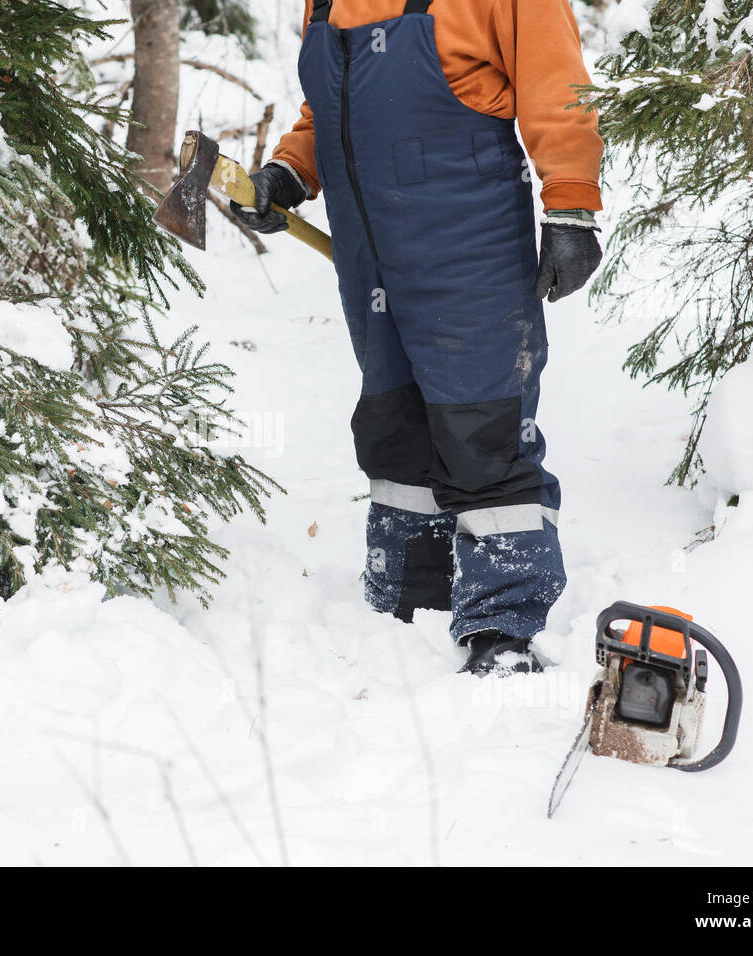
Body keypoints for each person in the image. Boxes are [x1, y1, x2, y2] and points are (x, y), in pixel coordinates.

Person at [232, 0, 604, 677]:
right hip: (368, 251)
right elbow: (332, 111)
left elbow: (557, 81)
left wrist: (571, 202)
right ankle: (410, 591)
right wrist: (289, 171)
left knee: (482, 423)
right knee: (394, 418)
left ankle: (502, 621)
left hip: (468, 239)